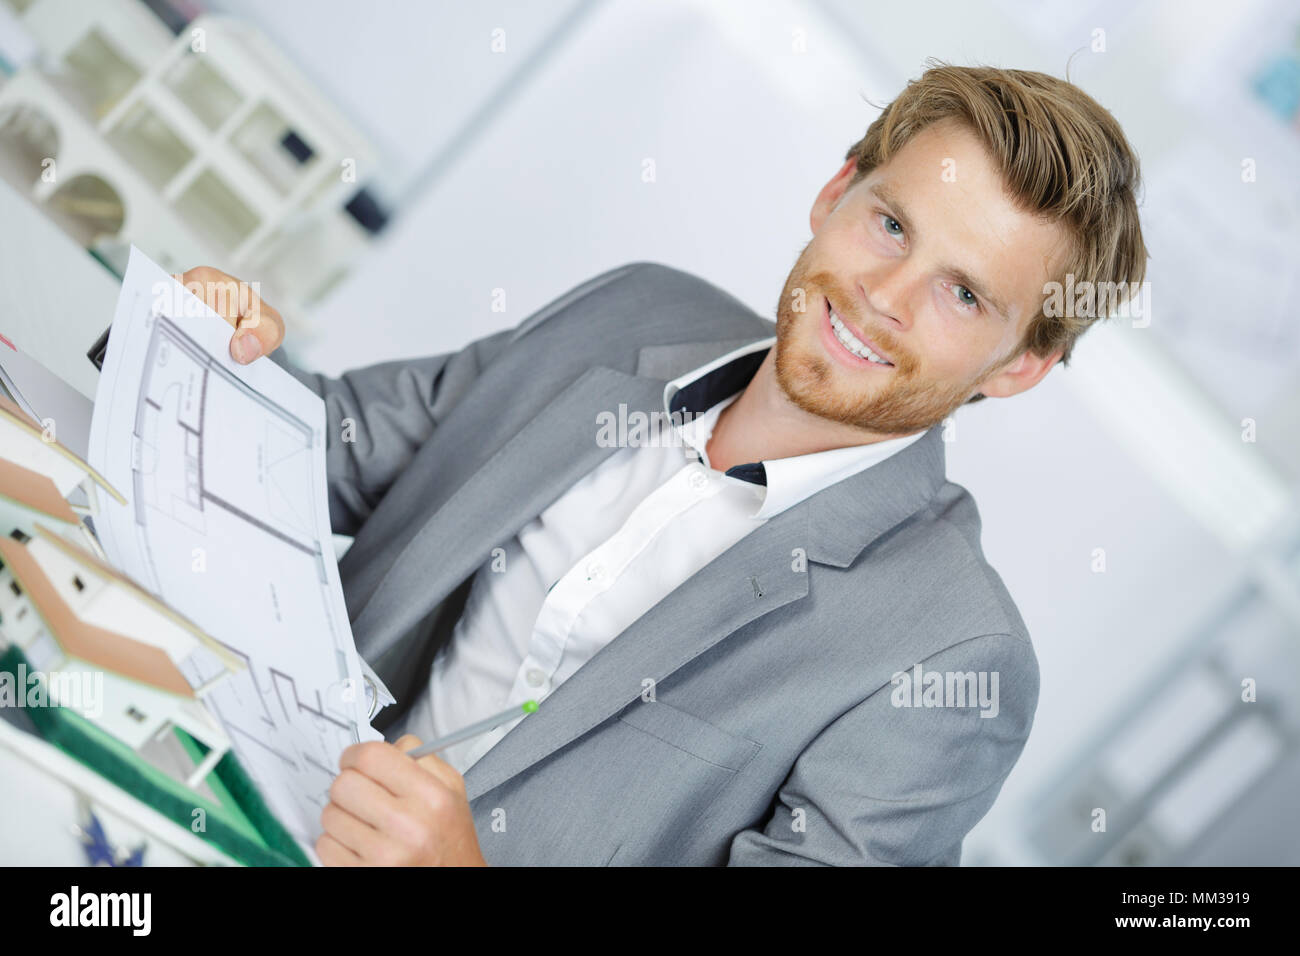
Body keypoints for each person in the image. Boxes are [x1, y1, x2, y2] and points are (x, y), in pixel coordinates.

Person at [179, 62, 1147, 866]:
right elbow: (329, 447)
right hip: (203, 796)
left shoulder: (954, 654)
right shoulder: (635, 313)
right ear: (834, 190)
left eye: (964, 293)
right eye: (890, 224)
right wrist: (210, 355)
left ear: (1021, 364)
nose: (883, 296)